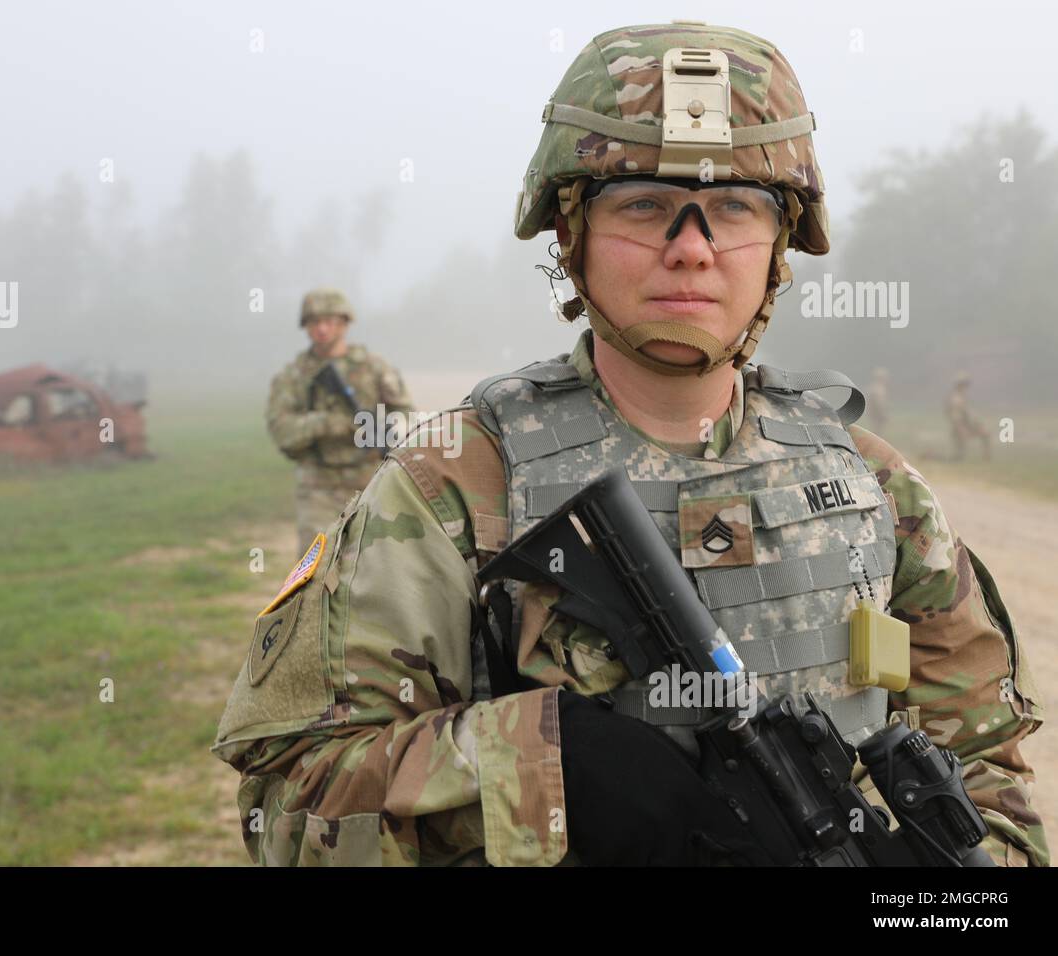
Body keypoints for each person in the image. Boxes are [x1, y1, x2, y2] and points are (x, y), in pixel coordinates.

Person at [215, 22, 1046, 867]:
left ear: (780, 246)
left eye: (733, 207)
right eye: (645, 204)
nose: (691, 247)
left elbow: (994, 782)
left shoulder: (874, 484)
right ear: (570, 231)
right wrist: (542, 769)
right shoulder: (451, 489)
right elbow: (287, 807)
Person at [264, 288, 414, 556]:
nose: (322, 329)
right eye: (314, 322)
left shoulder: (373, 367)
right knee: (315, 568)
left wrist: (381, 429)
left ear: (344, 323)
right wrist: (328, 424)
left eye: (330, 321)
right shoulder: (294, 375)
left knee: (377, 563)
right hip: (318, 485)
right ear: (306, 327)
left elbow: (405, 413)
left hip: (371, 481)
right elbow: (281, 430)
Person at [946, 371, 993, 461]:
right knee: (958, 457)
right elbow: (955, 417)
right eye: (963, 384)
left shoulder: (962, 397)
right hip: (959, 428)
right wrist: (961, 429)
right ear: (959, 385)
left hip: (968, 426)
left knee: (986, 434)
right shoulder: (955, 398)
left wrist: (977, 424)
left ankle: (986, 458)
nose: (965, 387)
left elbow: (968, 415)